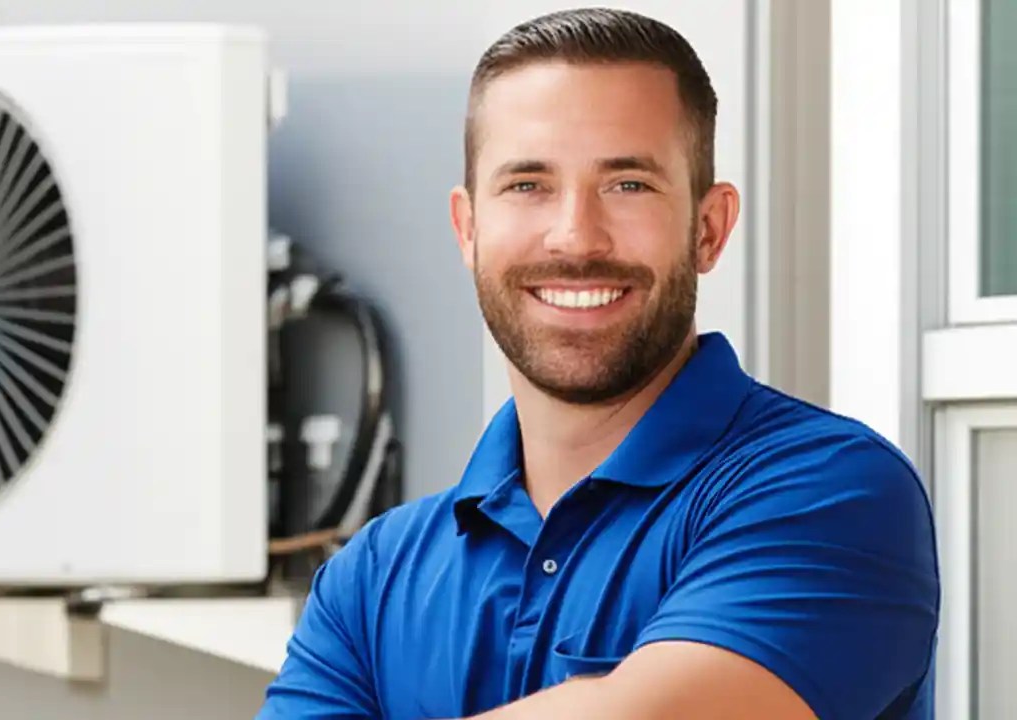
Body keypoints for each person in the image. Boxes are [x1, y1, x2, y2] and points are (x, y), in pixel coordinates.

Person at [256, 7, 939, 719]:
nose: (575, 235)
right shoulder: (371, 579)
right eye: (528, 185)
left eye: (628, 184)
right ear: (468, 228)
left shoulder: (830, 491)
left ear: (709, 228)